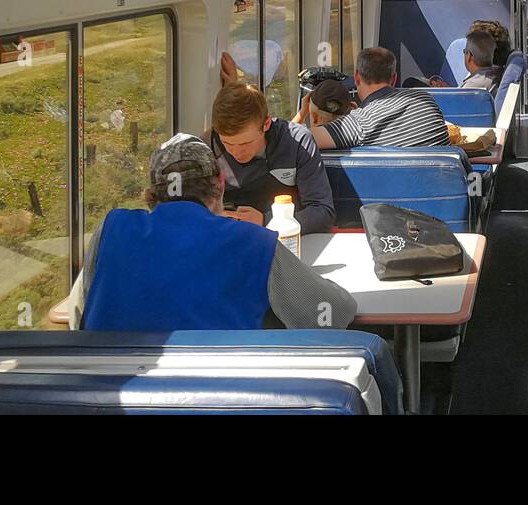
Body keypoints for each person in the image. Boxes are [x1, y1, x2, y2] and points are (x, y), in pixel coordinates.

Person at [76, 133, 356, 331]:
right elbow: (332, 314)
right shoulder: (253, 241)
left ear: (150, 192)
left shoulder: (110, 229)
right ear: (220, 184)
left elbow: (81, 314)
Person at [210, 81, 335, 233]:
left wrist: (265, 220)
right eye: (227, 143)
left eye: (246, 143)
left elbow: (323, 212)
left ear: (266, 124)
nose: (236, 152)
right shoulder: (206, 147)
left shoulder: (296, 142)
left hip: (285, 239)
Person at [302, 47, 451, 150]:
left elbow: (300, 139)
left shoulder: (359, 123)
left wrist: (302, 114)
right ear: (393, 79)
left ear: (356, 77)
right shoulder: (426, 100)